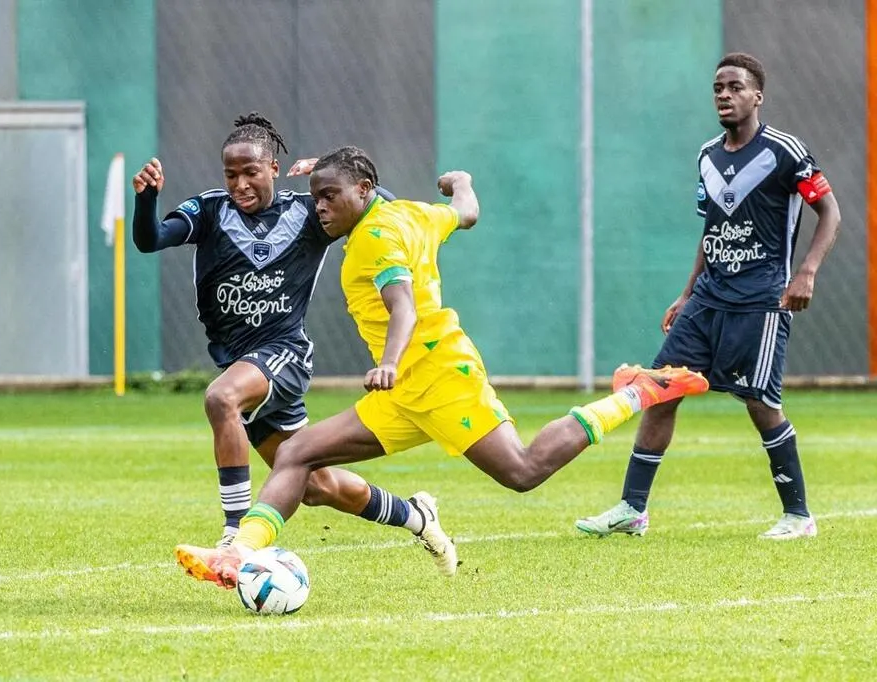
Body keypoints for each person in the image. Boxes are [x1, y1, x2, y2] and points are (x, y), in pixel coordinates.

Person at [173, 145, 709, 588]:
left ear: (363, 191)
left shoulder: (376, 241)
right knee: (296, 453)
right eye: (315, 199)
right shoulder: (411, 212)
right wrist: (461, 183)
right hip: (406, 389)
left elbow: (401, 306)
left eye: (330, 197)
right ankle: (238, 553)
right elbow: (466, 214)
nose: (320, 209)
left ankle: (635, 393)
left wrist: (386, 362)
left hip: (438, 376)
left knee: (522, 471)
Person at [132, 113, 457, 575]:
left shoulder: (309, 214)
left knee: (221, 397)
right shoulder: (208, 211)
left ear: (275, 169)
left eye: (250, 172)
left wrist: (330, 168)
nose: (239, 183)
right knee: (314, 485)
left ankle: (233, 538)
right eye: (230, 174)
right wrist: (146, 200)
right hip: (243, 362)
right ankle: (417, 516)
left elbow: (379, 205)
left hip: (283, 353)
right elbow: (149, 240)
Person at [575, 53, 841, 541]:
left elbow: (830, 211)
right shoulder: (707, 156)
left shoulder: (784, 151)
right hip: (707, 299)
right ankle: (633, 509)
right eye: (718, 87)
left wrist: (806, 272)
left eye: (735, 87)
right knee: (662, 391)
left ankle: (799, 515)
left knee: (760, 404)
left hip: (761, 301)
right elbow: (711, 228)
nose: (724, 94)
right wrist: (686, 292)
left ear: (756, 96)